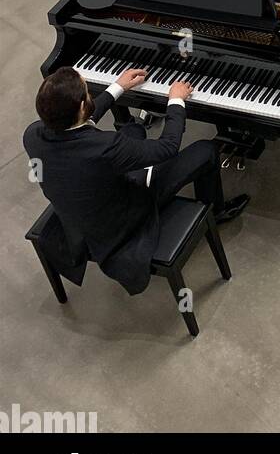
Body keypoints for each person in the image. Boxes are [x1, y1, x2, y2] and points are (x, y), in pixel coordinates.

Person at [23, 66, 248, 296]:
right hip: (125, 217)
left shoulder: (33, 134)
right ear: (82, 106)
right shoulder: (106, 148)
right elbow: (168, 147)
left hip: (83, 203)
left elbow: (75, 124)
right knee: (206, 150)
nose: (90, 94)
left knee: (133, 129)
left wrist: (117, 88)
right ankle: (216, 210)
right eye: (87, 92)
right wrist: (176, 101)